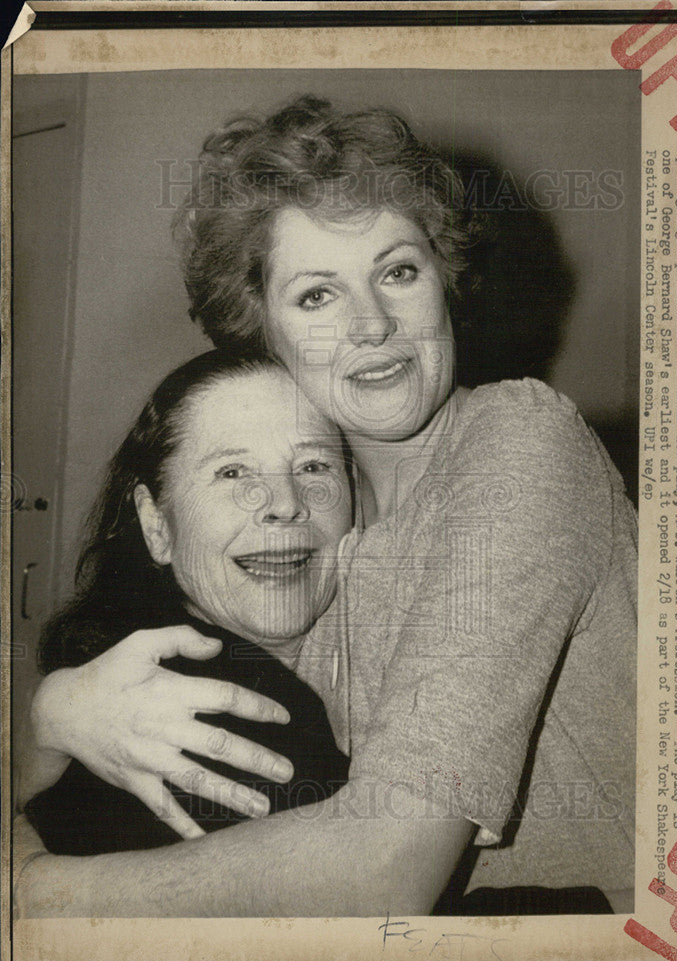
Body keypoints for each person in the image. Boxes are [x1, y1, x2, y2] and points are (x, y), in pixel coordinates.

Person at [15, 96, 637, 918]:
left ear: (445, 284)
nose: (372, 325)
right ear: (263, 332)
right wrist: (48, 719)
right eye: (317, 296)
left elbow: (382, 871)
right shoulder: (327, 529)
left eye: (398, 271)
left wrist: (32, 896)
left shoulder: (519, 441)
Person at [22, 351, 351, 854]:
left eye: (313, 464)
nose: (286, 504)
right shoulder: (194, 722)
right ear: (157, 525)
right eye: (233, 472)